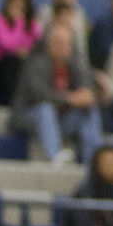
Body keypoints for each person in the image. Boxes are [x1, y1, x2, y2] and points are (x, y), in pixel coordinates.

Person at [10, 16, 102, 165]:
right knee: (45, 109)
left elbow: (86, 90)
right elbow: (39, 94)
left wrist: (87, 96)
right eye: (58, 43)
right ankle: (54, 155)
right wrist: (69, 98)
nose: (62, 47)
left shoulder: (76, 64)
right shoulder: (35, 63)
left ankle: (93, 162)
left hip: (61, 121)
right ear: (49, 44)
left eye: (66, 43)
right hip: (30, 117)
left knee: (90, 112)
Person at [0, 0, 40, 104]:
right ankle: (14, 103)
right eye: (14, 0)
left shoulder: (33, 25)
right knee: (13, 60)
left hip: (20, 65)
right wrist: (19, 22)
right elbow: (8, 45)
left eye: (21, 1)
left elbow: (38, 45)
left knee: (28, 64)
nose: (17, 4)